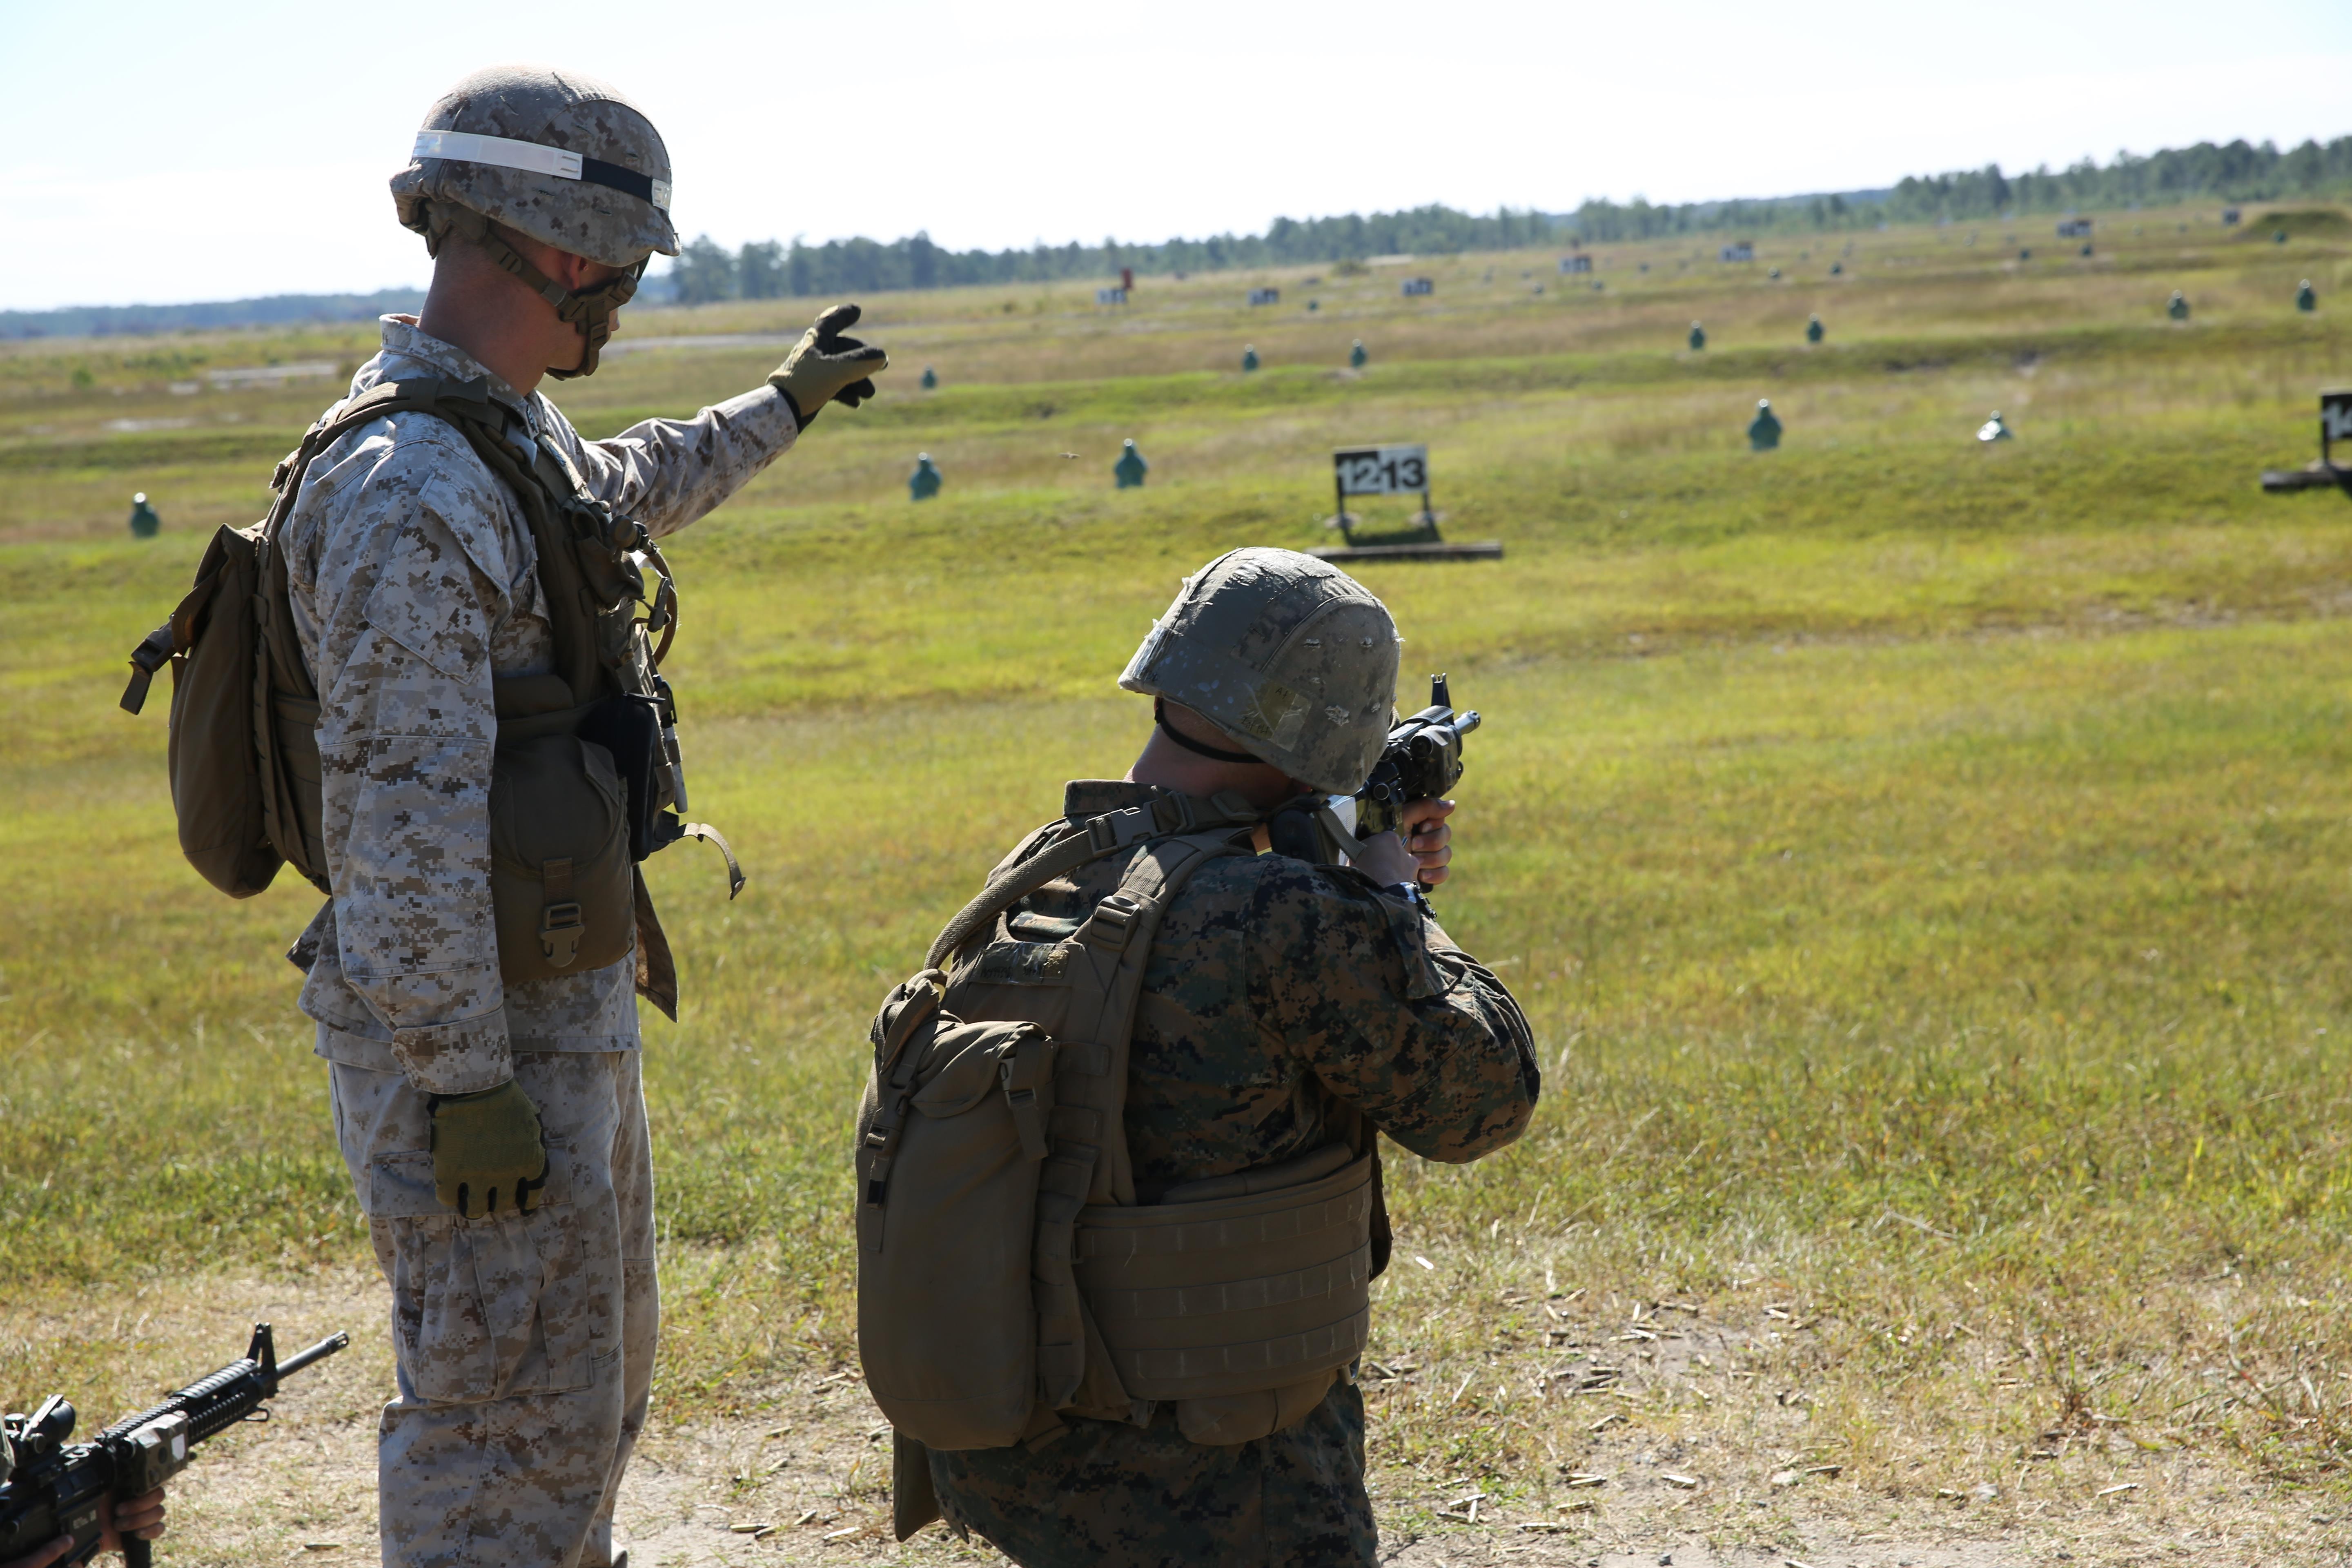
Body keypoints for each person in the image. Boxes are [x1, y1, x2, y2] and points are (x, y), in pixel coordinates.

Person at [285, 66, 885, 1568]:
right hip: (482, 1043)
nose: (623, 299)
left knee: (577, 1403)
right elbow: (399, 817)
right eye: (617, 266)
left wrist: (781, 406)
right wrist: (461, 1073)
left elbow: (630, 488)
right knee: (496, 1429)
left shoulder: (503, 443)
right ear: (555, 246)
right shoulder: (409, 486)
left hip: (549, 1007)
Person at [923, 547, 1539, 1566]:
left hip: (1026, 1440)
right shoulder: (1288, 918)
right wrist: (1395, 900)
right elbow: (1482, 1099)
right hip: (1223, 1478)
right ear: (1325, 729)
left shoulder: (1044, 870)